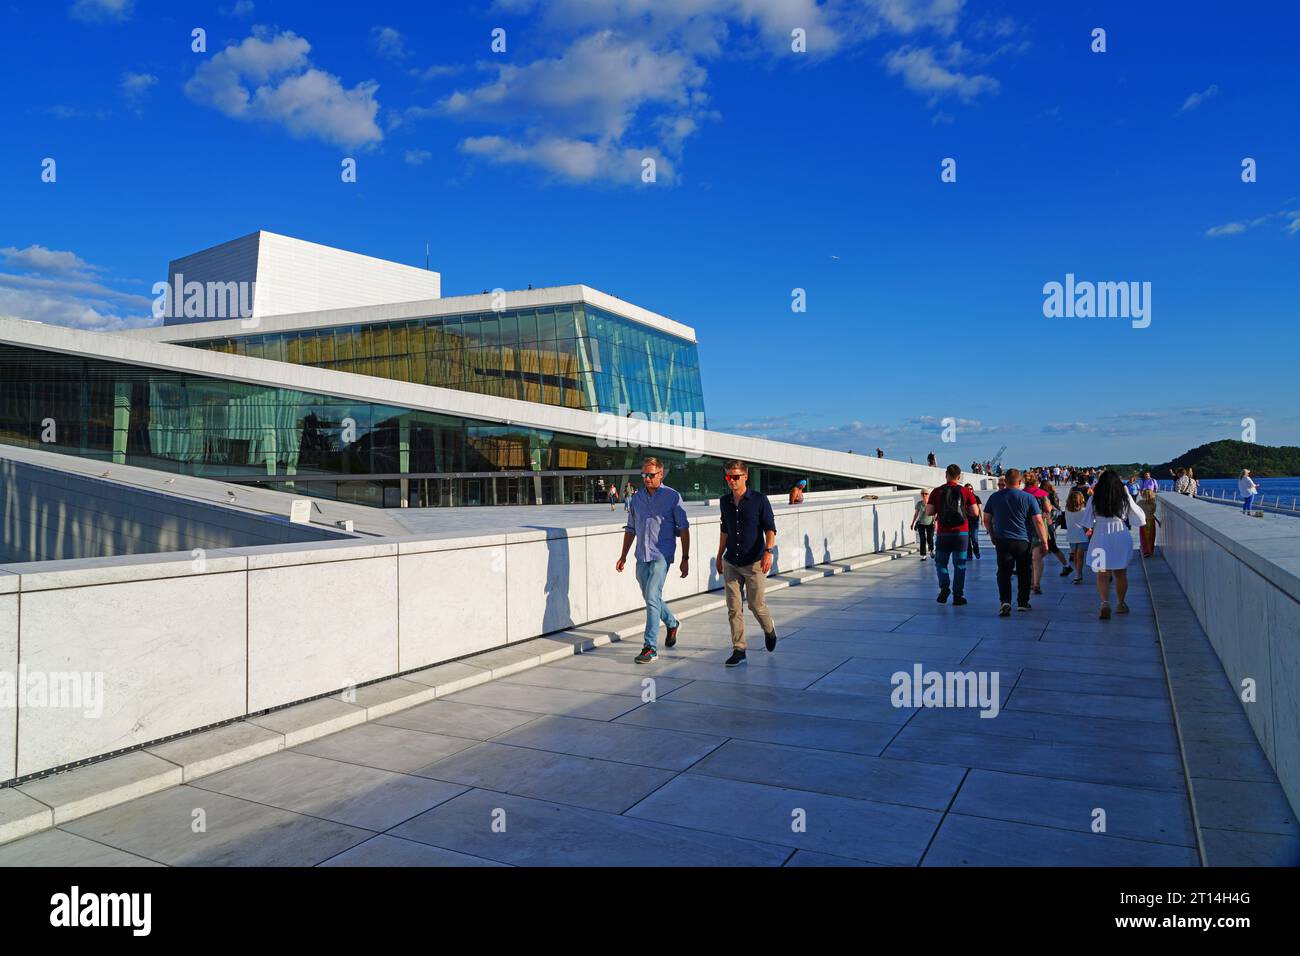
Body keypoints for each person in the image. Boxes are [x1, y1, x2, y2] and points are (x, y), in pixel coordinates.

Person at [617, 457, 690, 663]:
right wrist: (623, 555)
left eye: (651, 475)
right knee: (651, 597)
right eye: (644, 475)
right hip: (642, 554)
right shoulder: (637, 498)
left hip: (662, 554)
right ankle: (672, 623)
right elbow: (631, 528)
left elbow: (683, 529)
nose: (647, 479)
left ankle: (650, 647)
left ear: (661, 474)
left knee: (651, 596)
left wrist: (685, 558)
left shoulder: (672, 496)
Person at [716, 460, 778, 668]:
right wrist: (718, 555)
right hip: (731, 561)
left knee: (755, 605)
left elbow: (770, 528)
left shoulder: (759, 500)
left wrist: (768, 552)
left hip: (754, 562)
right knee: (733, 607)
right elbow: (724, 529)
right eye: (728, 477)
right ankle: (739, 648)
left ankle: (769, 630)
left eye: (735, 477)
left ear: (745, 477)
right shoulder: (725, 502)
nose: (731, 481)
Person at [982, 468, 1049, 615]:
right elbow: (1038, 521)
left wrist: (992, 535)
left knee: (1004, 572)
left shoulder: (994, 497)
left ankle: (1005, 601)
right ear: (1020, 482)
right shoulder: (1028, 498)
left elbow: (986, 519)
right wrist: (1044, 541)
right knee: (1024, 571)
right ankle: (1022, 602)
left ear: (1005, 481)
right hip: (1022, 541)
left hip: (1002, 539)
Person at [1081, 470, 1146, 619]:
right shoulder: (1124, 497)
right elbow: (1140, 518)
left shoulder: (1094, 498)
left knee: (1102, 574)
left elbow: (1086, 522)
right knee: (1120, 573)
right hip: (1120, 534)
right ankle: (1121, 604)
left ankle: (1104, 603)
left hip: (1100, 537)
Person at [925, 464, 980, 606]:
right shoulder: (966, 491)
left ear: (946, 475)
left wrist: (941, 508)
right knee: (959, 564)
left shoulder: (937, 491)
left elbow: (929, 512)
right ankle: (958, 596)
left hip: (943, 533)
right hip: (961, 533)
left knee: (941, 562)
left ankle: (944, 587)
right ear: (959, 476)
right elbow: (975, 512)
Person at [1063, 488, 1090, 583]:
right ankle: (1079, 574)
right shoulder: (1084, 510)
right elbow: (1088, 523)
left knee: (1075, 556)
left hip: (1071, 535)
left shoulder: (1067, 510)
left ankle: (1077, 574)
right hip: (1082, 535)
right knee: (1080, 556)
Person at [911, 487, 935, 561]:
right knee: (922, 539)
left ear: (928, 495)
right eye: (923, 494)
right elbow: (916, 514)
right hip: (921, 523)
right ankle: (923, 555)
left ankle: (931, 550)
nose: (924, 495)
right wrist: (912, 523)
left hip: (930, 523)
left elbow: (935, 513)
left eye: (926, 494)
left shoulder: (931, 503)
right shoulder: (919, 504)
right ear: (921, 495)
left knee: (929, 538)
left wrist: (935, 522)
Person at [1137, 488, 1160, 557]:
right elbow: (1152, 513)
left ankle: (1145, 551)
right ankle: (1151, 551)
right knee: (1151, 537)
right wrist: (1158, 521)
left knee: (1144, 536)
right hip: (1151, 520)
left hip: (1143, 521)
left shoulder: (1139, 503)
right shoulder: (1153, 504)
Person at [963, 483, 982, 560]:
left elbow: (980, 509)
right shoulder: (962, 498)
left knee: (974, 538)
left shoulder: (976, 498)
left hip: (974, 521)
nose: (969, 490)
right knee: (967, 539)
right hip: (965, 521)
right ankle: (969, 555)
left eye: (971, 489)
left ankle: (976, 551)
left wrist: (982, 519)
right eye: (967, 489)